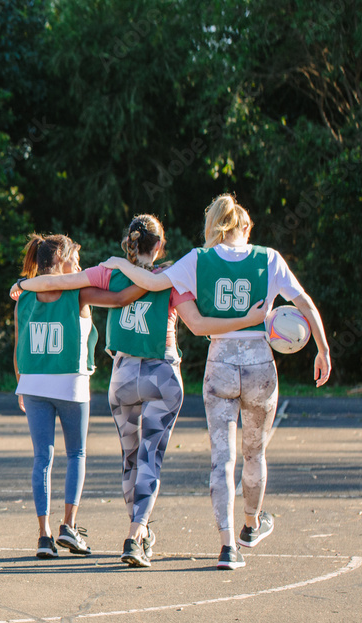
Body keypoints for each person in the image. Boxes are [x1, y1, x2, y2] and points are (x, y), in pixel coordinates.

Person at [16, 216, 265, 567]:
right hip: (160, 372)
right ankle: (135, 534)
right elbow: (198, 321)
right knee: (150, 459)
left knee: (130, 461)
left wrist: (22, 286)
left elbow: (65, 281)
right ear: (159, 245)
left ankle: (138, 532)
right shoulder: (172, 276)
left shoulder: (107, 273)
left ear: (128, 243)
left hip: (122, 376)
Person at [103, 194, 331, 570]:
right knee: (254, 452)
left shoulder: (197, 259)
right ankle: (251, 525)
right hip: (259, 360)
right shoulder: (269, 258)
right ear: (244, 226)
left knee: (221, 458)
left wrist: (116, 263)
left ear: (214, 225)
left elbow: (149, 281)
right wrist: (322, 348)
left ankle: (227, 546)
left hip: (221, 360)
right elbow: (303, 301)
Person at [13, 233, 143, 559]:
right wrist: (157, 280)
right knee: (76, 454)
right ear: (63, 261)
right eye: (77, 260)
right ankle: (68, 525)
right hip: (70, 382)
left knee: (42, 458)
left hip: (33, 383)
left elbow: (18, 348)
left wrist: (21, 384)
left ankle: (43, 535)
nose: (81, 267)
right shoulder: (78, 293)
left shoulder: (24, 296)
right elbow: (121, 298)